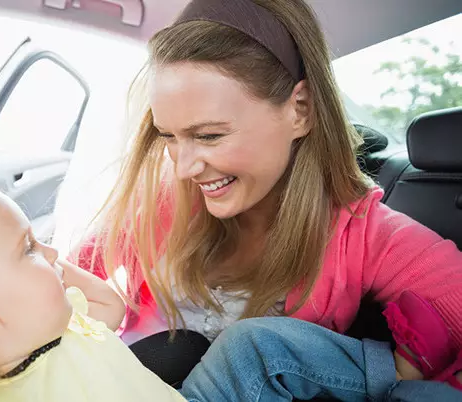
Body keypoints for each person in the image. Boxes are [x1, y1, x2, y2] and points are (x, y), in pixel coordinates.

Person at [71, 0, 462, 386]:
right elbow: (68, 278)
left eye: (209, 135)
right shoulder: (166, 201)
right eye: (169, 136)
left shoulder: (364, 234)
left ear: (301, 110)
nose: (184, 167)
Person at [0, 170, 460, 402]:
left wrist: (51, 269)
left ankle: (397, 371)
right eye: (29, 249)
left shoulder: (39, 323)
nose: (55, 250)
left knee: (253, 342)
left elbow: (110, 306)